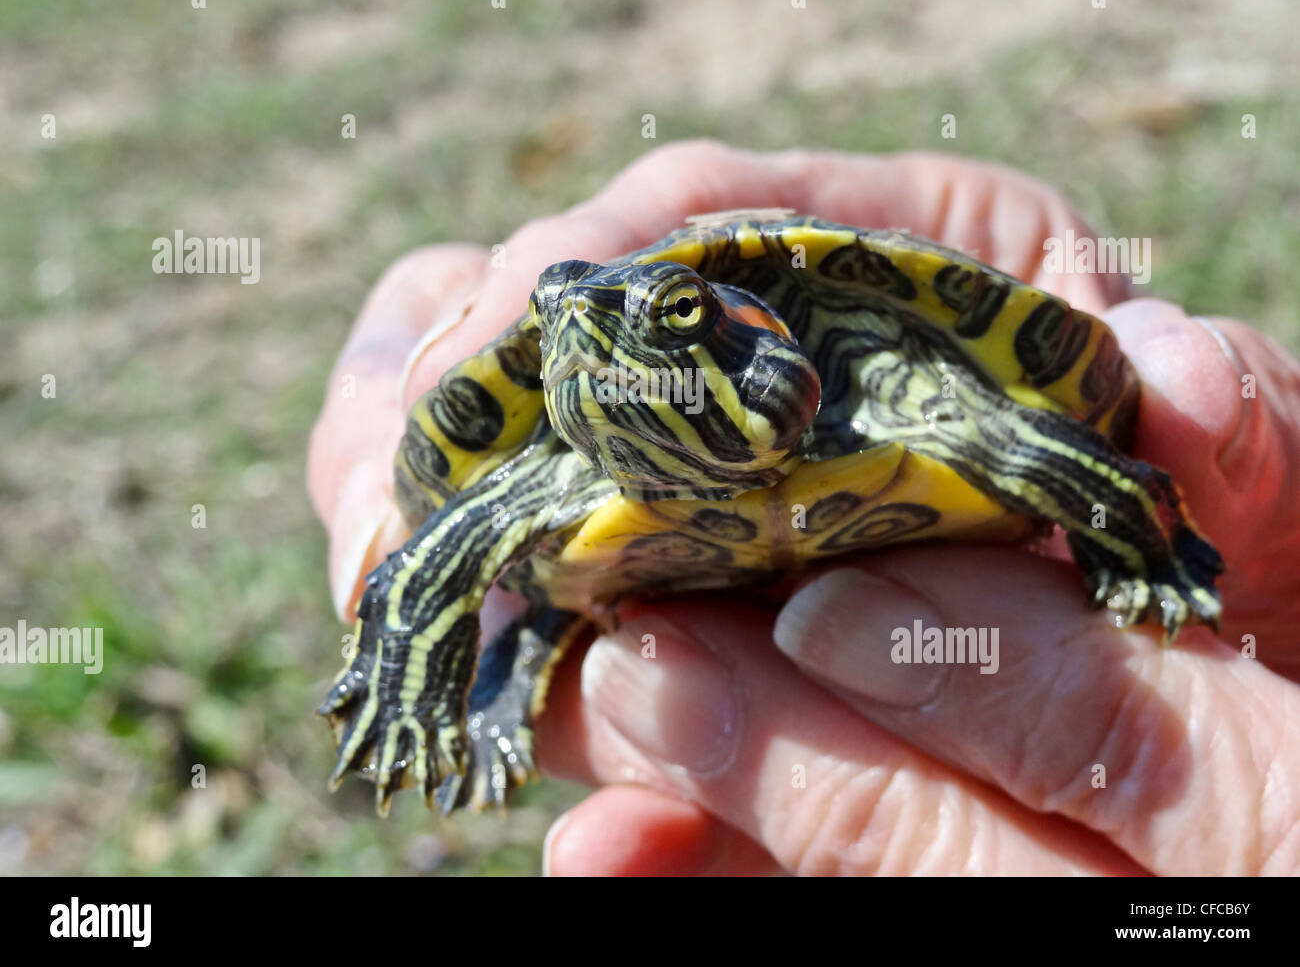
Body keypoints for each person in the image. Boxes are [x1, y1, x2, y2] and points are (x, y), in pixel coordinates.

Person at [308, 141, 1300, 876]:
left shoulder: (899, 379)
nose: (590, 340)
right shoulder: (566, 463)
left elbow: (1042, 432)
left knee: (1014, 437)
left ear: (769, 344)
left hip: (856, 546)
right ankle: (522, 652)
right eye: (570, 330)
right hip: (639, 553)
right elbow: (435, 547)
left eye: (675, 322)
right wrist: (410, 678)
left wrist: (1137, 542)